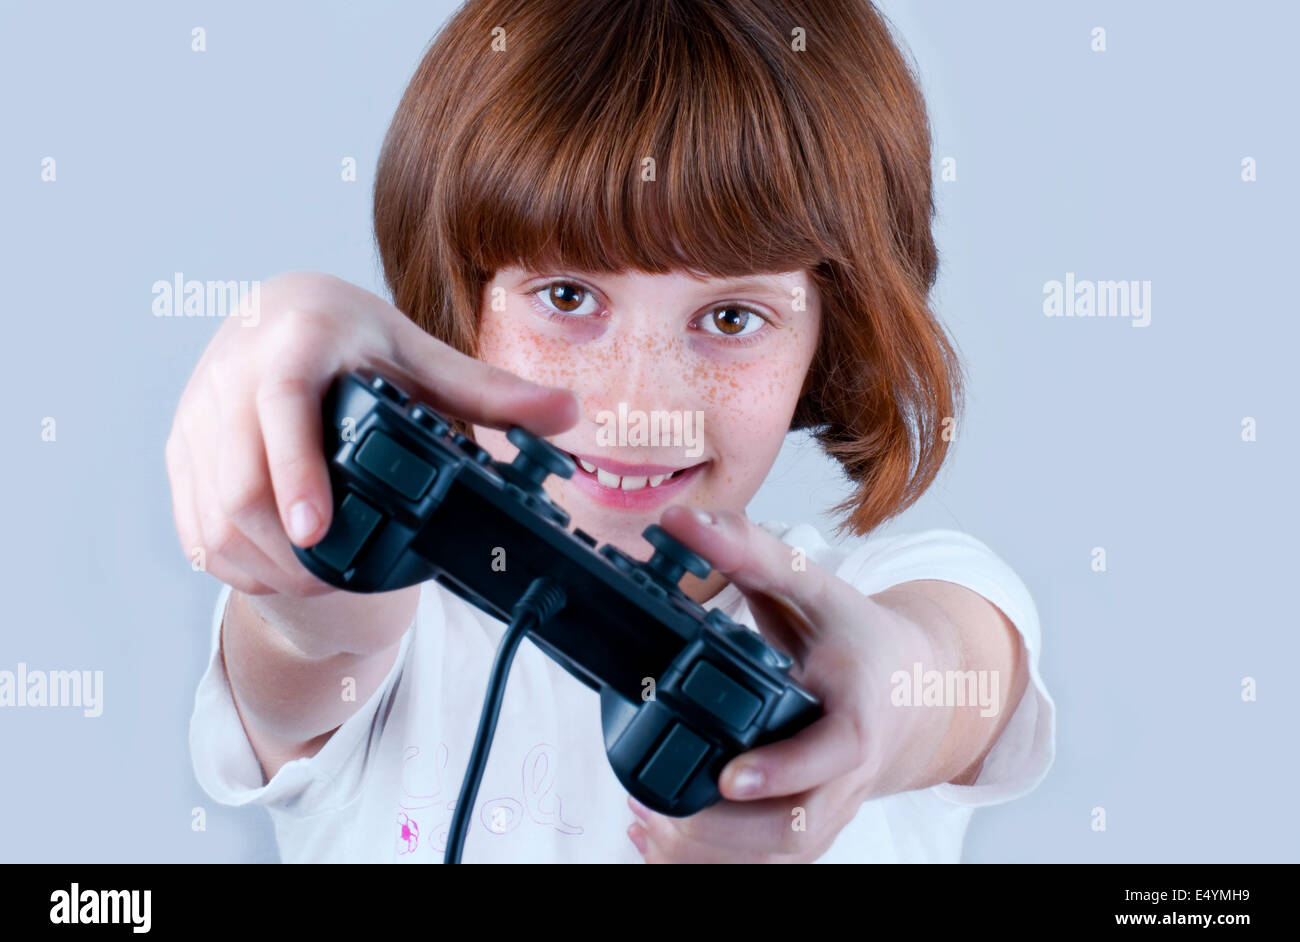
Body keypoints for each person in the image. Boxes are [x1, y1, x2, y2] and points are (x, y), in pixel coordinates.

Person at [172, 0, 1055, 862]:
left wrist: (878, 710)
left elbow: (945, 666)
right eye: (567, 296)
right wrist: (298, 418)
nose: (639, 401)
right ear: (467, 306)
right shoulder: (389, 635)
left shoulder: (882, 591)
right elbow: (309, 629)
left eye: (733, 316)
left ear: (832, 335)